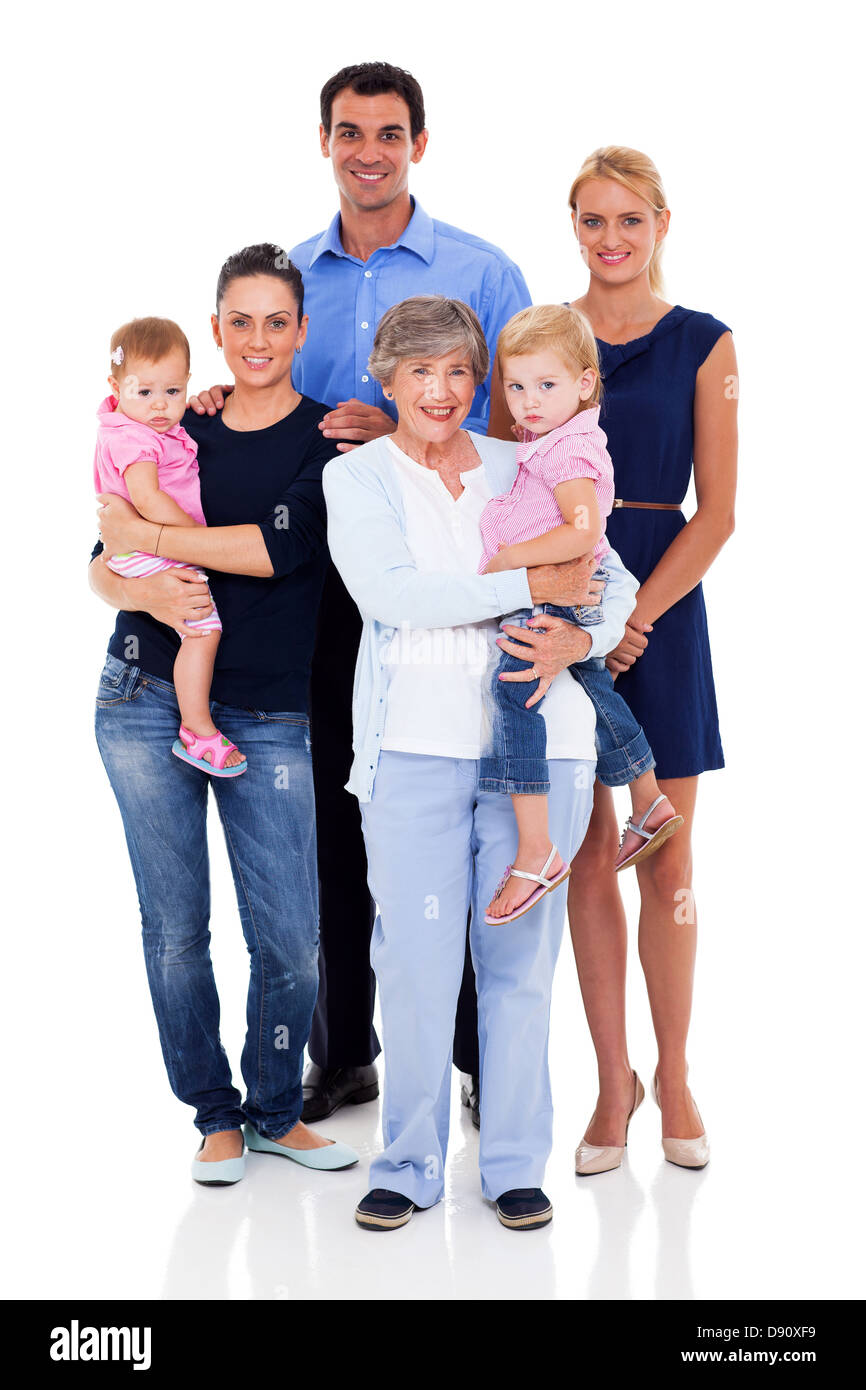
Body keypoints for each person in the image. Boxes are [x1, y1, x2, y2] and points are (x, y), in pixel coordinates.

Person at [190, 61, 532, 1124]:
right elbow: (265, 389)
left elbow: (531, 426)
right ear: (325, 140)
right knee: (343, 809)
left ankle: (477, 1055)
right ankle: (345, 1052)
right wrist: (210, 399)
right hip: (322, 593)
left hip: (457, 577)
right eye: (349, 131)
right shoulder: (293, 274)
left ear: (418, 144)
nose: (368, 151)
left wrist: (414, 427)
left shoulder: (483, 271)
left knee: (469, 805)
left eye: (388, 132)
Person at [321, 294, 638, 1230]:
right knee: (416, 959)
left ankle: (511, 1164)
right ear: (387, 380)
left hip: (542, 751)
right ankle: (409, 1160)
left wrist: (580, 644)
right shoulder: (360, 479)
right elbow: (397, 596)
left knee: (518, 962)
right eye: (420, 371)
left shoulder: (526, 457)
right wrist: (534, 583)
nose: (442, 389)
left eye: (461, 371)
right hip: (413, 748)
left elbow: (608, 578)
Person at [90, 244, 359, 1185]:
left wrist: (152, 541)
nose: (256, 339)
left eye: (275, 321)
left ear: (301, 331)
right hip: (142, 697)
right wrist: (127, 571)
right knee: (176, 929)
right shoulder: (176, 419)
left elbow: (272, 551)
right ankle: (215, 1114)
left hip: (270, 710)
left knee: (291, 937)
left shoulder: (329, 440)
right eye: (238, 321)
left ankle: (277, 1107)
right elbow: (98, 558)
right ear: (215, 331)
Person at [551, 147, 736, 1175]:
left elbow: (717, 515)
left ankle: (673, 1074)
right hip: (564, 605)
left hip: (661, 612)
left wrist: (638, 618)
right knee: (584, 852)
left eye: (628, 220)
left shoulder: (705, 345)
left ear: (661, 222)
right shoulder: (543, 338)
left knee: (663, 857)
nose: (610, 240)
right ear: (570, 226)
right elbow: (506, 482)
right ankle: (610, 1080)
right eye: (591, 221)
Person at [478, 304, 683, 928]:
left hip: (553, 596)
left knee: (513, 694)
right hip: (564, 594)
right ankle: (647, 799)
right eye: (516, 386)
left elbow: (582, 531)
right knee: (595, 693)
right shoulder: (556, 440)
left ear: (585, 384)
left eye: (546, 385)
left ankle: (536, 850)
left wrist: (512, 556)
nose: (528, 402)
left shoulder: (569, 452)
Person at [95, 317, 245, 777]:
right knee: (203, 630)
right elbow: (148, 499)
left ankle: (197, 727)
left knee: (200, 628)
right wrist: (196, 542)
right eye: (145, 393)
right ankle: (198, 731)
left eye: (173, 392)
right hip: (148, 547)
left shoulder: (151, 428)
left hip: (147, 544)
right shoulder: (132, 437)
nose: (161, 405)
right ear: (116, 387)